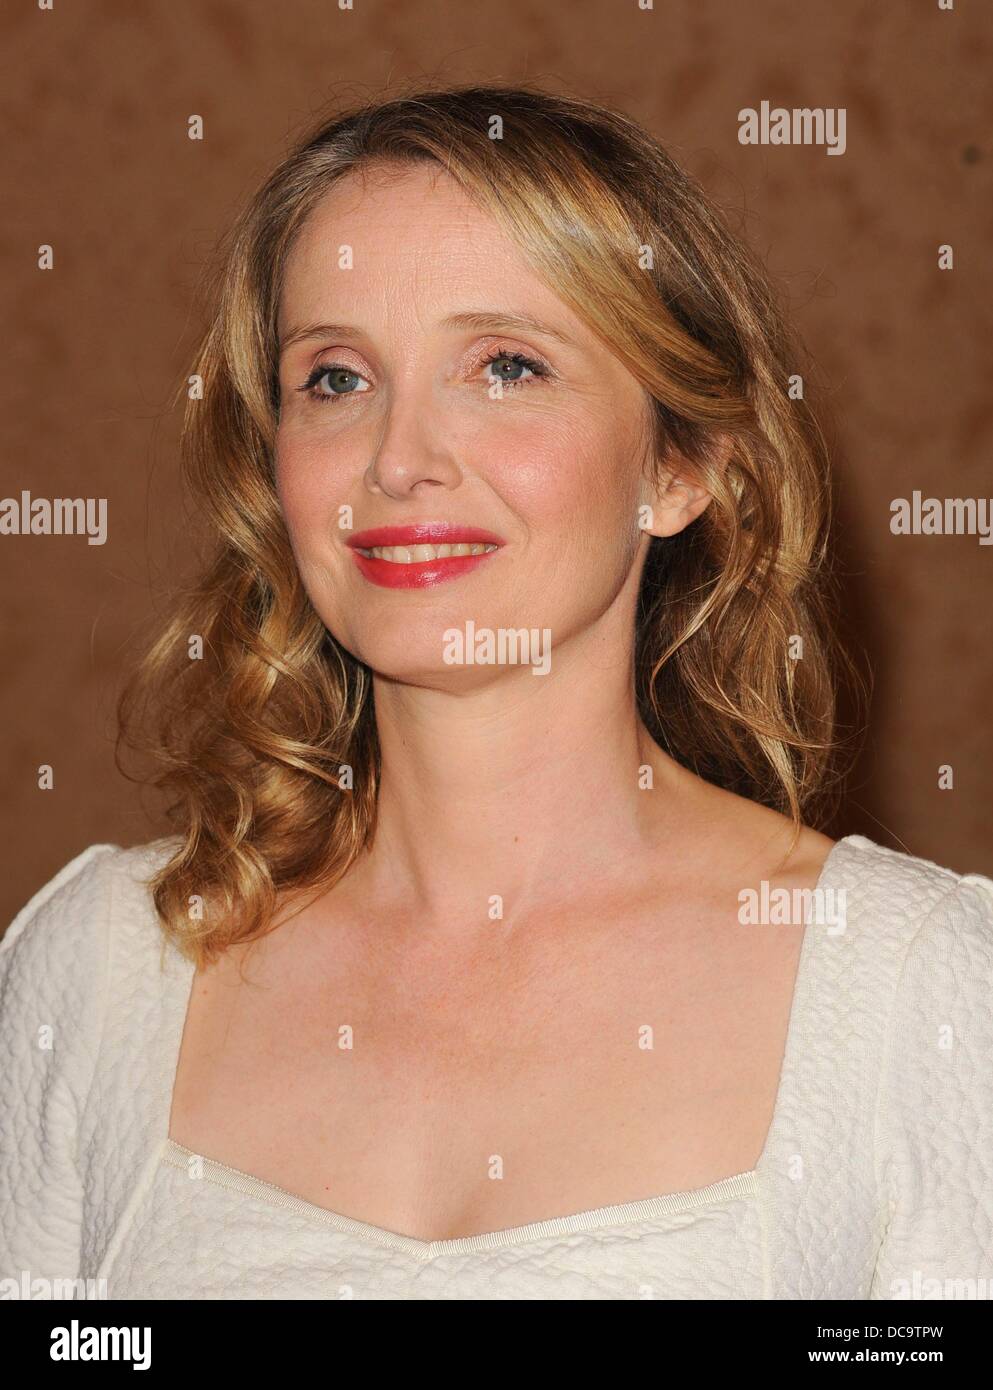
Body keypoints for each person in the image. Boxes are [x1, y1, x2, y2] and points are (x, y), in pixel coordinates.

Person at [2, 84, 991, 1302]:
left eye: (506, 364)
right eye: (335, 379)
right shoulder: (101, 969)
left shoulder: (913, 986)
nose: (401, 457)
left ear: (682, 469)